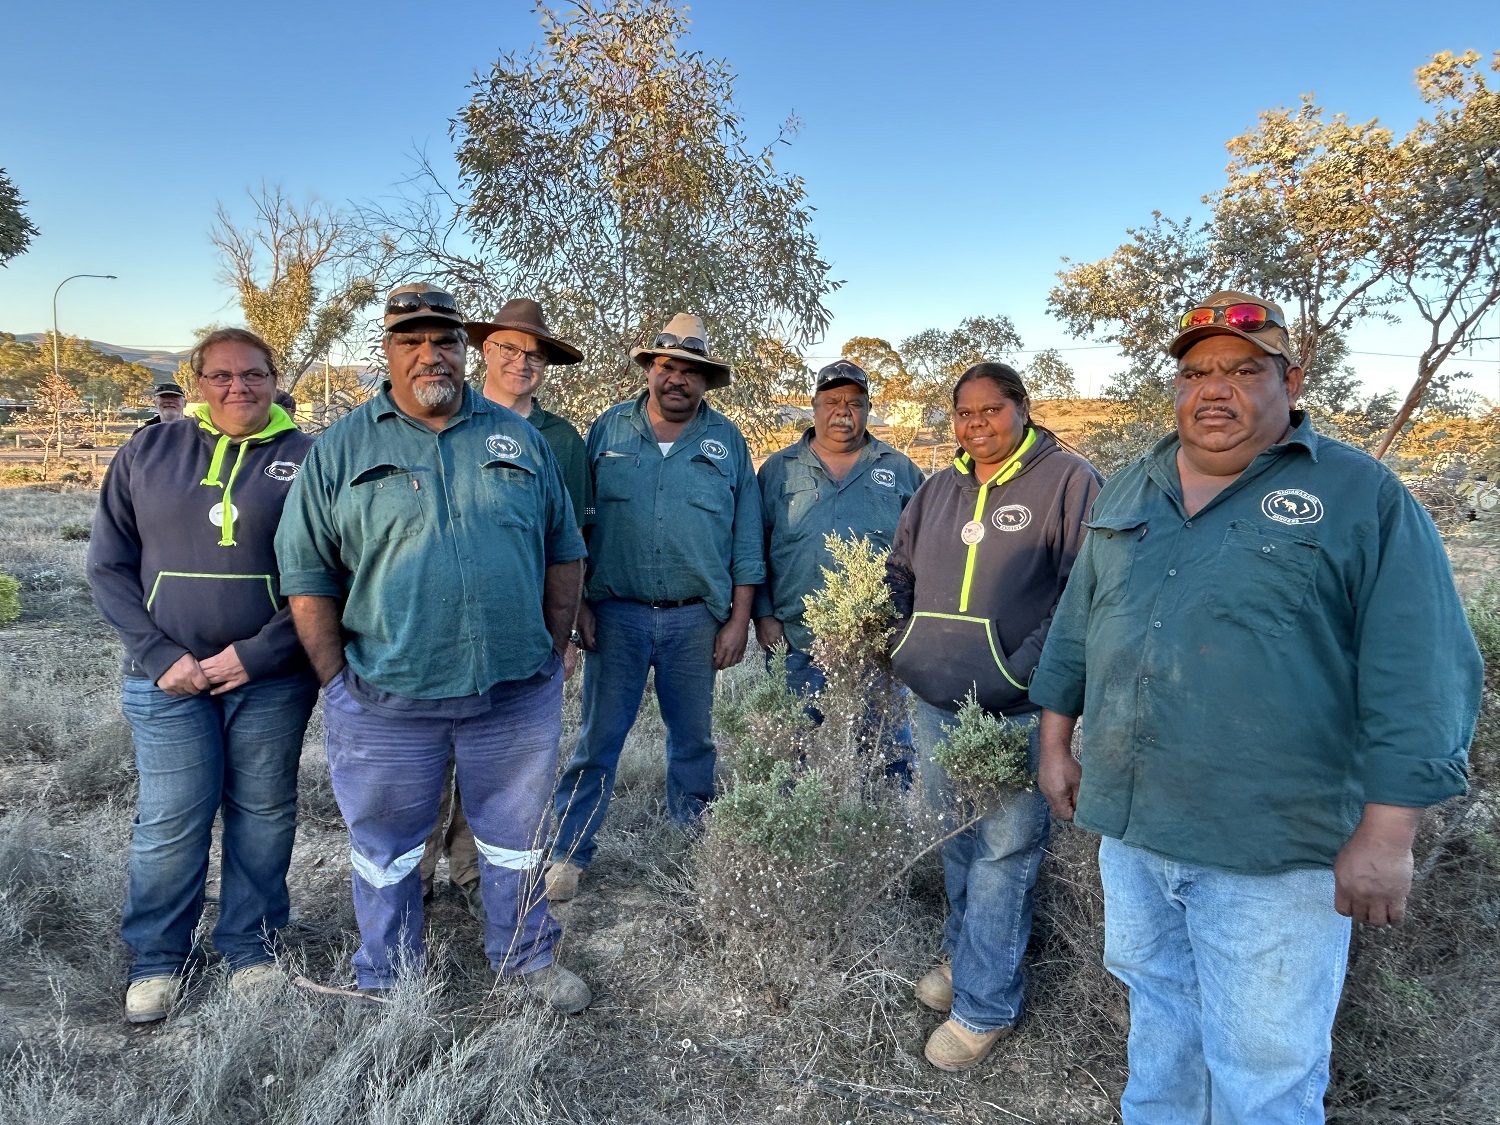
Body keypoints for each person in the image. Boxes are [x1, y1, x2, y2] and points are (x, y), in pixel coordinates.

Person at [1030, 290, 1483, 1124]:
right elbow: (1079, 622)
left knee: (1265, 1067)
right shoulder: (1134, 480)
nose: (1215, 388)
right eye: (1196, 370)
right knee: (1159, 1025)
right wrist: (1055, 738)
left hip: (1274, 851)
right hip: (1135, 829)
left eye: (1243, 370)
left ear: (1290, 378)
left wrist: (1389, 833)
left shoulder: (1360, 496)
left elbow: (1420, 667)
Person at [275, 283, 592, 1012]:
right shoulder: (343, 448)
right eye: (411, 340)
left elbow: (564, 550)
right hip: (386, 698)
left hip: (512, 696)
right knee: (386, 850)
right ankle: (388, 974)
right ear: (387, 351)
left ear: (463, 347)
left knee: (515, 841)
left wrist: (547, 653)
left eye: (444, 338)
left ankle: (524, 957)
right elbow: (306, 573)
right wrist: (336, 681)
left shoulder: (522, 441)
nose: (430, 353)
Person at [88, 328, 317, 1023]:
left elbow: (330, 574)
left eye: (253, 374)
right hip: (166, 679)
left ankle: (250, 946)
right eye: (220, 376)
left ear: (276, 378)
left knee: (263, 812)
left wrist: (260, 652)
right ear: (196, 382)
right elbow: (108, 566)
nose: (238, 387)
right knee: (171, 818)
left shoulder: (311, 458)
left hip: (271, 676)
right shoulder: (147, 452)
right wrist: (162, 658)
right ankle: (157, 958)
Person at [885, 362, 1101, 1071]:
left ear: (1022, 409)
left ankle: (986, 1005)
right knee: (957, 839)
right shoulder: (937, 487)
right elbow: (900, 571)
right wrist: (908, 644)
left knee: (1006, 854)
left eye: (991, 412)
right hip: (940, 703)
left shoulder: (1069, 480)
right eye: (964, 414)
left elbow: (1082, 595)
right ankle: (962, 953)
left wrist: (1020, 669)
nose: (977, 426)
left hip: (1016, 710)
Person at [547, 313, 764, 901]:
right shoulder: (607, 431)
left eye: (691, 371)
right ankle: (569, 852)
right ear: (649, 369)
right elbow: (577, 529)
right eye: (668, 366)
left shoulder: (727, 443)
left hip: (696, 619)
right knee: (598, 737)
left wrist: (739, 619)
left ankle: (695, 844)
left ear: (705, 381)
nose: (678, 379)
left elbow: (745, 536)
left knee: (693, 739)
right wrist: (580, 607)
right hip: (615, 614)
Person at [414, 298, 590, 917]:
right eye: (509, 348)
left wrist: (563, 635)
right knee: (425, 757)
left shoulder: (560, 439)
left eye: (534, 355)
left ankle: (471, 868)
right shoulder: (435, 420)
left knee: (493, 760)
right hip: (428, 629)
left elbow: (568, 542)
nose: (521, 362)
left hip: (519, 626)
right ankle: (419, 870)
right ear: (483, 351)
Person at [754, 359, 923, 742]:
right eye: (832, 401)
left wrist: (906, 626)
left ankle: (884, 801)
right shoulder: (778, 469)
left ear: (867, 409)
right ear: (813, 406)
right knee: (792, 748)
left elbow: (922, 555)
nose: (843, 411)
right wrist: (763, 615)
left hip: (876, 641)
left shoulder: (900, 469)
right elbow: (755, 546)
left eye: (855, 402)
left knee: (886, 750)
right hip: (795, 638)